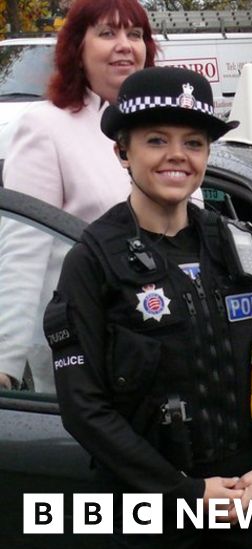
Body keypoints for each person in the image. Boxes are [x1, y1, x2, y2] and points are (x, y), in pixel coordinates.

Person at [43, 66, 252, 549]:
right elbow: (84, 407)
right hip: (151, 509)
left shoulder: (237, 247)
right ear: (122, 152)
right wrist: (186, 492)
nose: (177, 155)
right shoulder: (94, 260)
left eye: (193, 142)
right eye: (156, 140)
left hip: (248, 500)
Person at [0, 0, 156, 391]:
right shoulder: (45, 127)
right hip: (84, 352)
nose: (125, 45)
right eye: (107, 33)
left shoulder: (163, 131)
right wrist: (5, 362)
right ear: (77, 50)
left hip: (161, 343)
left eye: (134, 34)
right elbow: (23, 250)